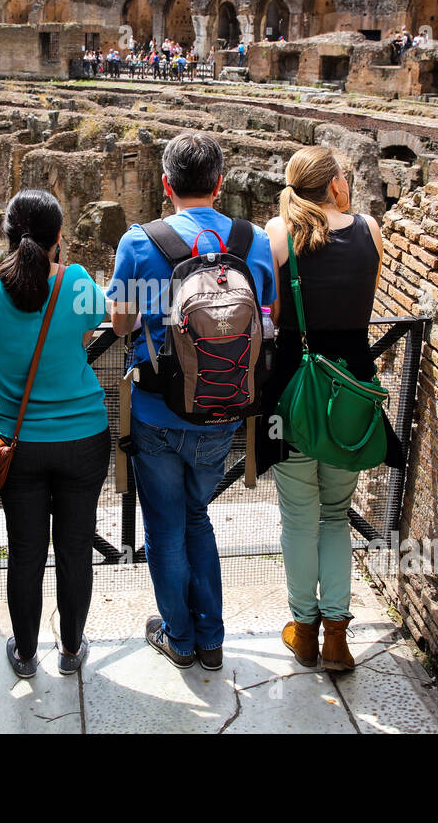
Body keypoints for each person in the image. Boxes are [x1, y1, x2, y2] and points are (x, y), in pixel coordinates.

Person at [108, 132, 275, 671]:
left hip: (157, 411)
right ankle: (211, 639)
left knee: (164, 527)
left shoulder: (140, 242)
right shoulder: (253, 242)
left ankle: (178, 637)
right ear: (219, 184)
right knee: (197, 516)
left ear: (165, 185)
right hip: (225, 407)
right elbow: (264, 315)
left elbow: (120, 322)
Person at [256, 146, 401, 672]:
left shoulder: (277, 234)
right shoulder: (370, 230)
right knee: (336, 515)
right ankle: (339, 637)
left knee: (299, 518)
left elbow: (268, 307)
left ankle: (305, 630)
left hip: (294, 393)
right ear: (336, 183)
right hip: (352, 393)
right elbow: (363, 299)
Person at [0, 190, 111, 679]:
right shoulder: (78, 283)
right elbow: (91, 331)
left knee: (25, 551)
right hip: (84, 437)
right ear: (58, 239)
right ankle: (71, 649)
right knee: (74, 548)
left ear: (7, 236)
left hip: (17, 443)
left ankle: (25, 654)